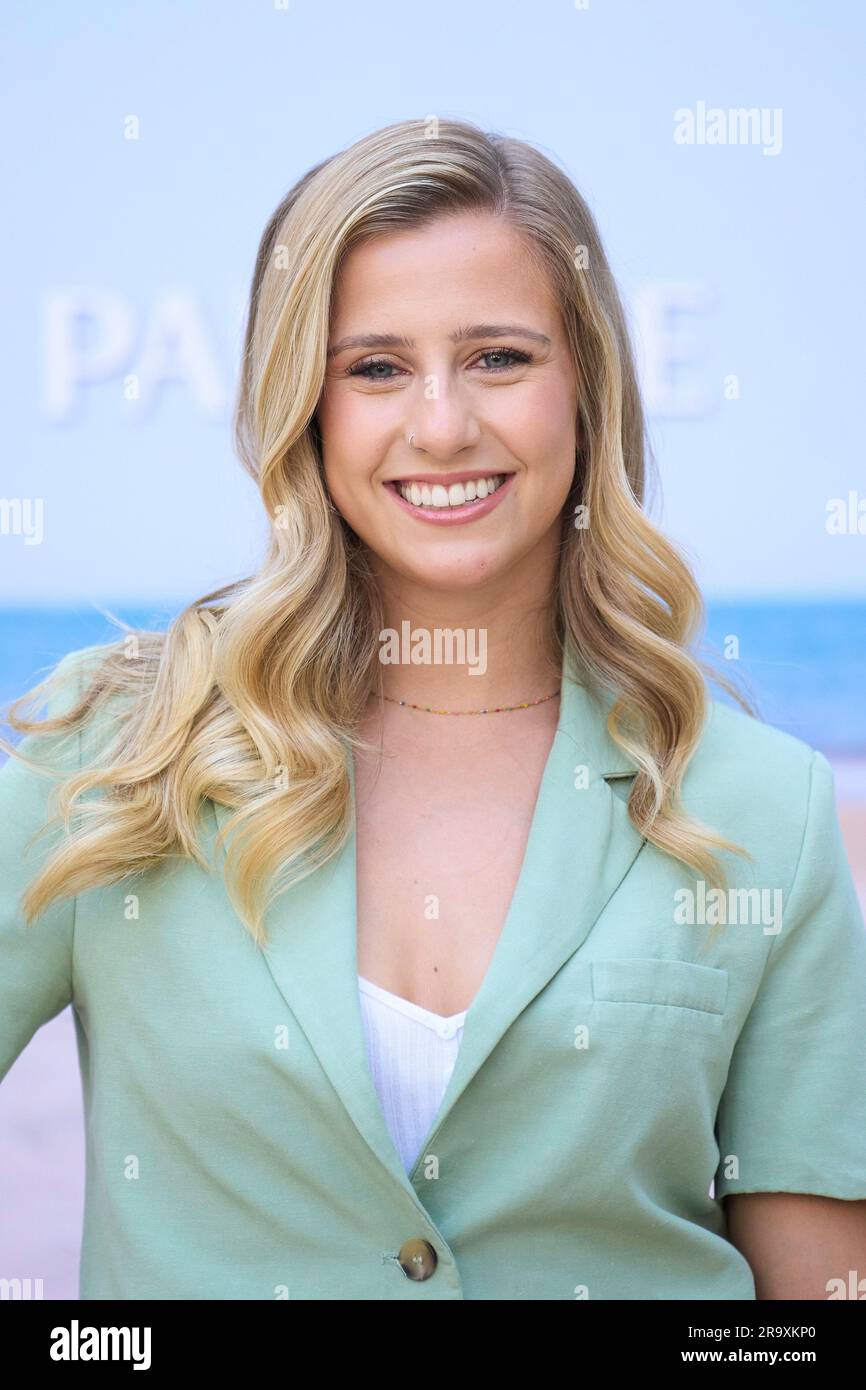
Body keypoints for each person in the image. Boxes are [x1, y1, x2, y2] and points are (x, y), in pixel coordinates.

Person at [2, 117, 865, 1301]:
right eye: (375, 366)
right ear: (301, 401)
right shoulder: (113, 751)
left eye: (499, 357)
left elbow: (811, 1295)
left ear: (588, 387)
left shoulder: (762, 801)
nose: (443, 425)